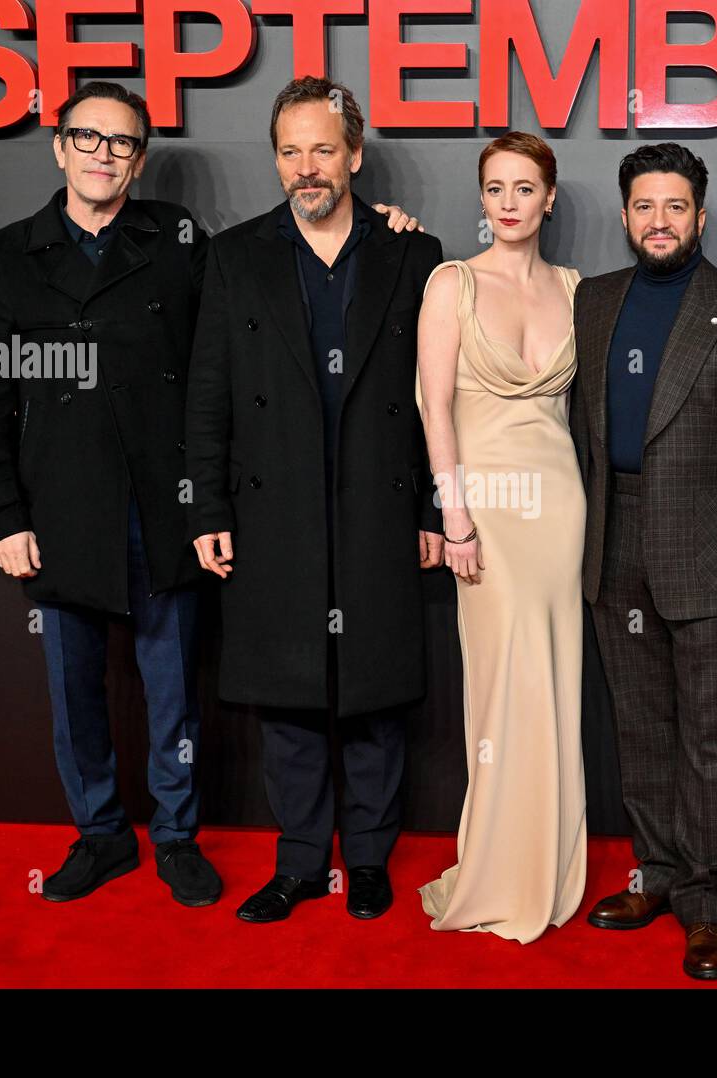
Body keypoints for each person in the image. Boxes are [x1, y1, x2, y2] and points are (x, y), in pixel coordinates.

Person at [0, 80, 419, 911]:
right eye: (88, 138)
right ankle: (100, 834)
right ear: (59, 146)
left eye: (123, 143)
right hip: (60, 509)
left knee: (173, 690)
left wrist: (200, 504)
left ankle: (175, 840)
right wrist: (0, 514)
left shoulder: (181, 243)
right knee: (75, 693)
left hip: (161, 509)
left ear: (140, 158)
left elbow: (226, 369)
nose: (104, 154)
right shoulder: (6, 255)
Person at [185, 76, 445, 924]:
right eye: (291, 151)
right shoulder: (233, 256)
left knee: (372, 691)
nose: (307, 167)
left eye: (323, 149)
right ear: (276, 161)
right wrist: (207, 510)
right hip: (272, 511)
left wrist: (435, 514)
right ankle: (299, 862)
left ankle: (367, 861)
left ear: (355, 155)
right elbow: (208, 393)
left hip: (378, 504)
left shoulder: (414, 254)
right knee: (289, 693)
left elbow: (447, 401)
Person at [569, 143, 717, 979]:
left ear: (700, 216)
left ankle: (708, 902)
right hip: (612, 543)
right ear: (625, 215)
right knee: (640, 729)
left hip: (708, 555)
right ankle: (657, 876)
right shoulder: (594, 302)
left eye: (675, 207)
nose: (658, 221)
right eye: (643, 207)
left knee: (705, 738)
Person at [415, 132, 587, 943]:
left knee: (555, 682)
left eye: (524, 188)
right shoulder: (452, 283)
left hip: (560, 507)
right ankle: (494, 866)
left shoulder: (579, 289)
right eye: (494, 189)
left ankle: (548, 863)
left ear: (549, 198)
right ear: (481, 199)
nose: (509, 202)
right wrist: (453, 516)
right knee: (498, 688)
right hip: (483, 507)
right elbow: (433, 407)